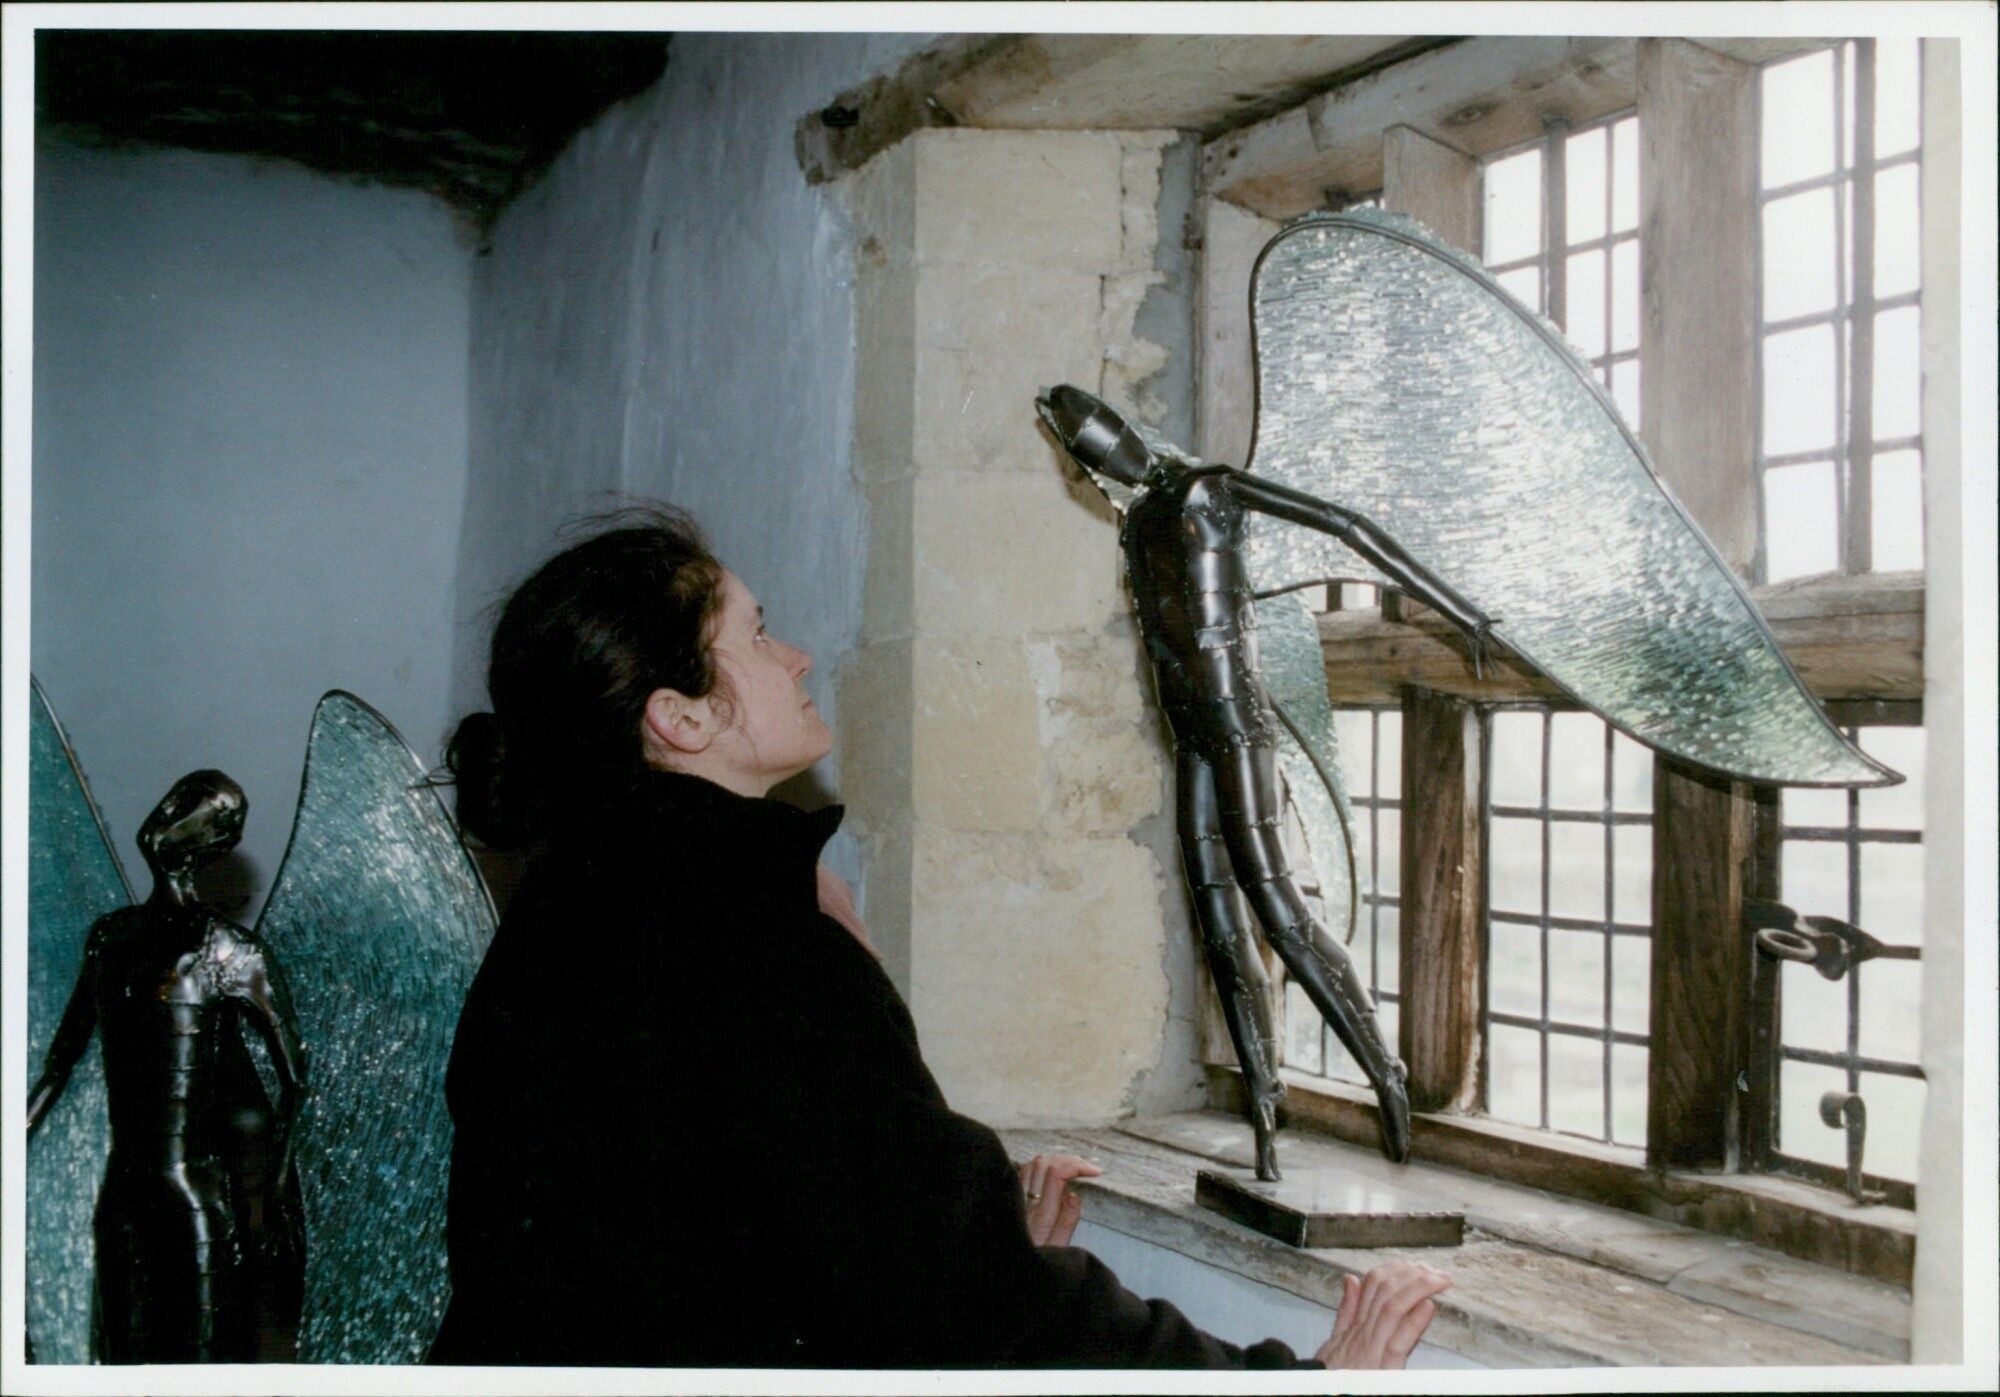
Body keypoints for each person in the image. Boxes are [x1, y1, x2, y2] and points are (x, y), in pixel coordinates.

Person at [429, 507, 1450, 1369]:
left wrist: (965, 1230)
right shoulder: (743, 937)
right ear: (681, 720)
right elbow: (933, 1295)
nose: (795, 657)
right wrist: (1288, 1387)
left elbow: (735, 1240)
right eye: (756, 633)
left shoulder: (576, 903)